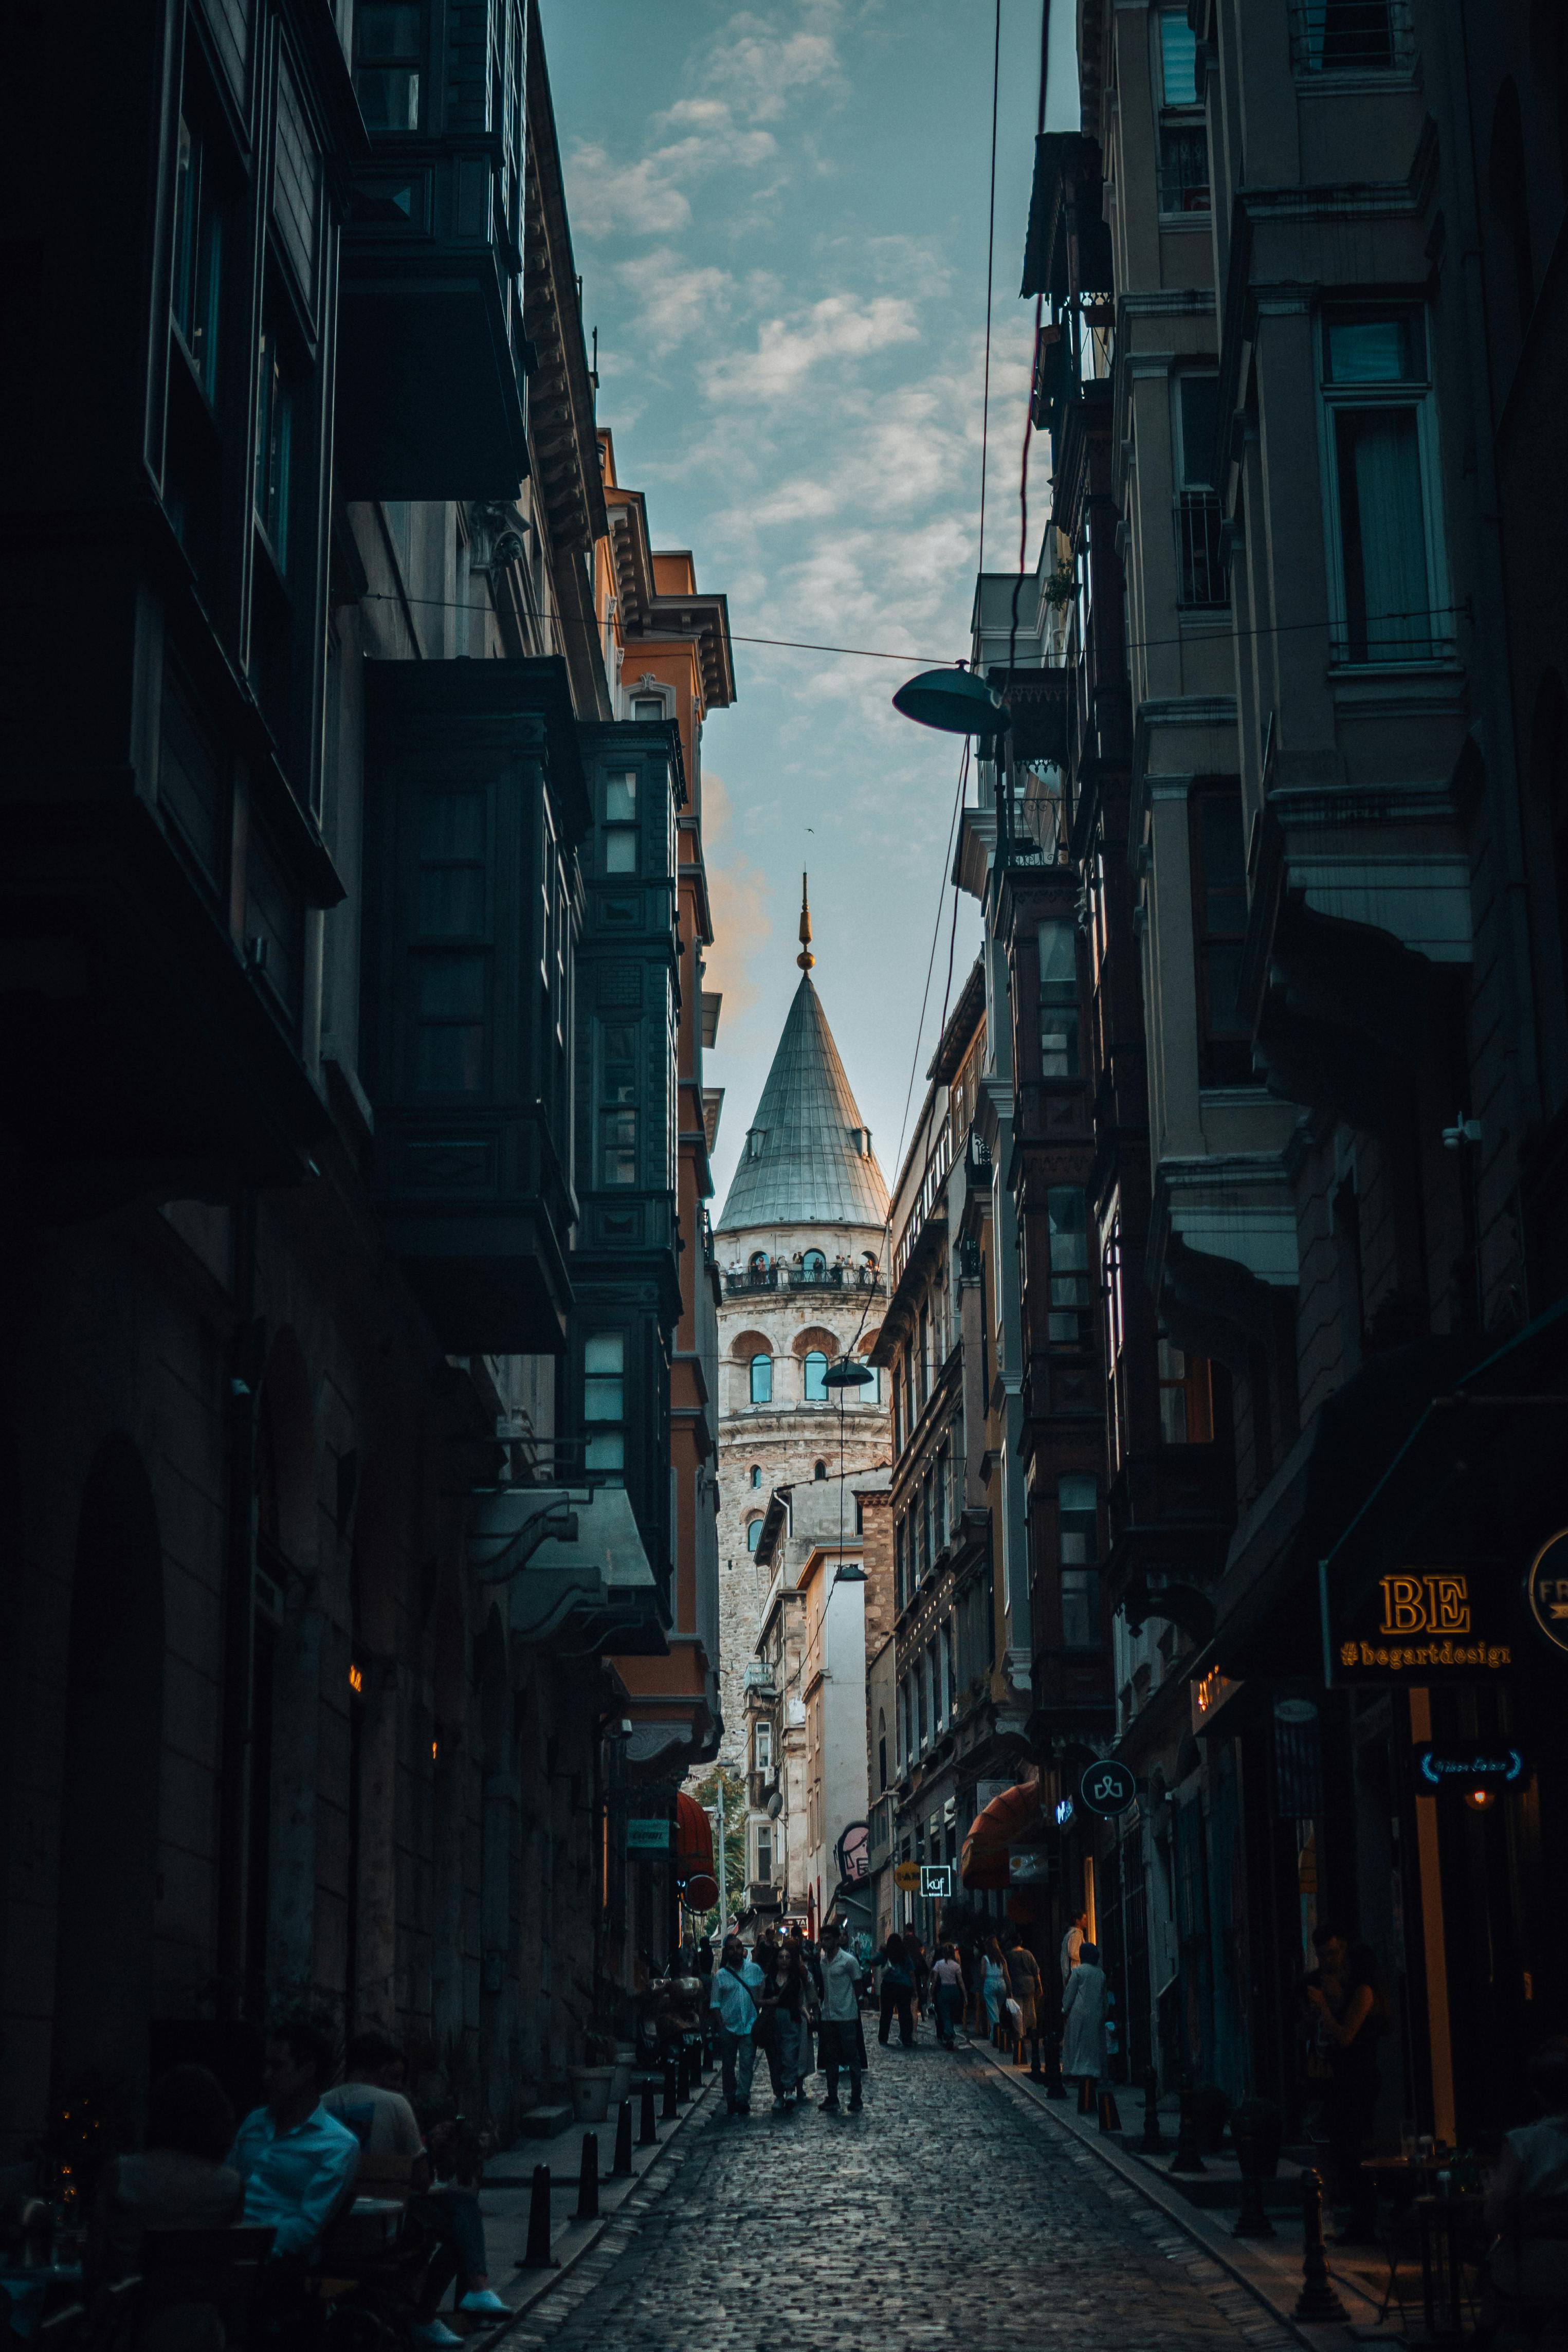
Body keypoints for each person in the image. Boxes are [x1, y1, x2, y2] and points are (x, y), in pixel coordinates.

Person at [324, 2031, 508, 2333]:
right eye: (396, 2077)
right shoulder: (395, 2104)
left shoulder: (320, 2105)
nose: (400, 2087)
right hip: (382, 2231)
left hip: (327, 2228)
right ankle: (429, 2313)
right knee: (459, 2219)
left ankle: (450, 2305)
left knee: (456, 2212)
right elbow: (422, 2181)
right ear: (382, 2070)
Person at [86, 2063, 245, 2335]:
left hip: (123, 2327)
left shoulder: (122, 2173)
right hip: (198, 2331)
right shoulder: (229, 2185)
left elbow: (93, 2264)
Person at [228, 2017, 361, 2265]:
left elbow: (305, 2228)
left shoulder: (338, 2145)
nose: (267, 2076)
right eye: (266, 2066)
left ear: (308, 2070)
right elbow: (227, 2183)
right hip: (226, 2252)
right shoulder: (255, 2122)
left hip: (279, 2267)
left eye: (278, 2067)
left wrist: (245, 2249)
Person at [1304, 1926, 1387, 2242]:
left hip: (1359, 2080)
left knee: (1354, 2150)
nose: (1338, 1964)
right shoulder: (1344, 1989)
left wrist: (1327, 2009)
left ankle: (1363, 2222)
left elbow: (1346, 2036)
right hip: (1344, 2080)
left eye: (1342, 1957)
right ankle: (1358, 2219)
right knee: (1344, 2149)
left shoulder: (1365, 1992)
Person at [1484, 2037, 1568, 2318]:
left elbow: (1495, 2215)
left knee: (1491, 2263)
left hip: (1538, 2266)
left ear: (1539, 2095)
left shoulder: (1523, 2143)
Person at [709, 1935, 763, 2118]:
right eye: (731, 1948)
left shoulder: (755, 1971)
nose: (735, 1951)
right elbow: (715, 2003)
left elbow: (761, 1993)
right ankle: (730, 2097)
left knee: (747, 2063)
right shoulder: (721, 1976)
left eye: (738, 1947)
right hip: (729, 2026)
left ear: (743, 1950)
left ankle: (743, 2098)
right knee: (728, 2065)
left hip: (749, 2025)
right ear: (727, 1952)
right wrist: (721, 2025)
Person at [816, 1924, 866, 2115]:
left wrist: (856, 2006)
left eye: (828, 1939)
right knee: (831, 2058)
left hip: (846, 2016)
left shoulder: (848, 1961)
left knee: (852, 2057)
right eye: (823, 1939)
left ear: (837, 1940)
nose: (824, 1942)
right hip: (828, 2016)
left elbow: (858, 1985)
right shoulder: (823, 1962)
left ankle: (856, 2097)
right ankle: (833, 2097)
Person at [1061, 1938, 1108, 2092]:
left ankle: (1075, 2072)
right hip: (1096, 2012)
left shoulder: (1079, 1972)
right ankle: (1094, 2071)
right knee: (1093, 2043)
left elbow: (1070, 1992)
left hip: (1079, 2011)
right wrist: (1105, 2011)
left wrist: (1065, 2009)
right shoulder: (1100, 1974)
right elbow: (1104, 1996)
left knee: (1076, 2042)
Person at [874, 1932, 916, 2048]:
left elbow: (873, 1961)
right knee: (905, 2014)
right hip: (904, 1987)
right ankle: (907, 2038)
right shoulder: (905, 1956)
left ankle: (883, 2038)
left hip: (888, 1987)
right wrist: (915, 1989)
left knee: (886, 2014)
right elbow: (912, 1974)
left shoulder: (886, 1955)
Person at [1005, 1931, 1043, 2054]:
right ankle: (1032, 2030)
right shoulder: (1028, 1954)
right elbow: (1036, 1971)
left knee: (1017, 2010)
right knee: (1030, 2009)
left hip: (1015, 1984)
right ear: (1021, 1942)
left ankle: (1020, 2034)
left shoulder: (1009, 1955)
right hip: (1029, 1984)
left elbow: (1006, 1973)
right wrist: (1040, 1986)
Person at [931, 1945, 966, 2047]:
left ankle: (949, 2033)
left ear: (943, 1954)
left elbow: (934, 1980)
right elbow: (961, 1981)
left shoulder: (938, 1964)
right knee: (952, 2014)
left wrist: (932, 1992)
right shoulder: (956, 1966)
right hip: (954, 1990)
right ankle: (951, 2032)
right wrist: (964, 1994)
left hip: (943, 1990)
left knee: (945, 2013)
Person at [981, 1936, 1008, 2036]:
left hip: (990, 1982)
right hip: (1002, 1984)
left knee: (993, 2012)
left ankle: (995, 2037)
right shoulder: (1002, 1959)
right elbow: (1006, 1975)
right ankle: (998, 2035)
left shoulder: (985, 1958)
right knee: (998, 2009)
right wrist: (1009, 1989)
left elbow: (983, 1973)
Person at [1060, 1907, 1088, 1984]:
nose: (1087, 1922)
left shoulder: (1069, 1934)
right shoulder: (1077, 1934)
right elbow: (1073, 1953)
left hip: (1071, 1972)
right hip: (1075, 1971)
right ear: (1078, 1921)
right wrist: (1086, 1956)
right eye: (1084, 1919)